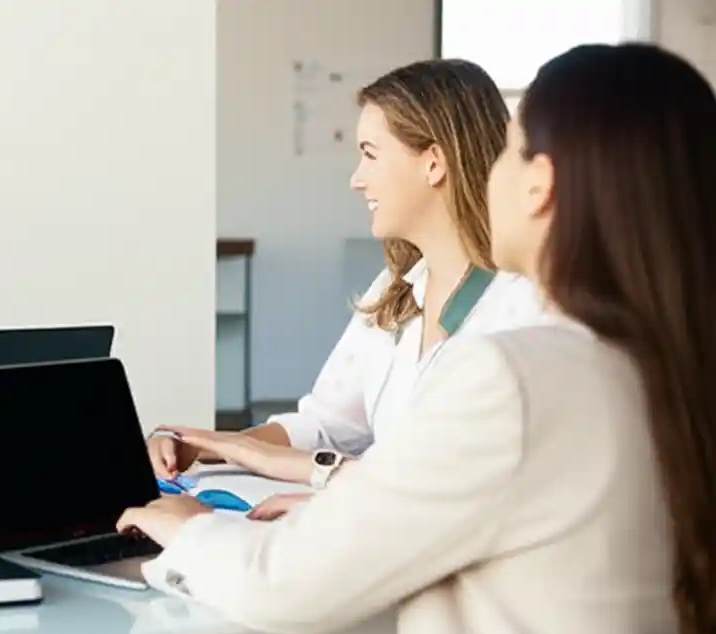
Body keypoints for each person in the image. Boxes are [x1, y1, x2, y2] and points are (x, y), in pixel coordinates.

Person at [119, 43, 716, 634]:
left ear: (540, 184)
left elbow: (288, 584)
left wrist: (190, 527)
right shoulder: (664, 363)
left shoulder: (517, 377)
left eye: (510, 151)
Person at [149, 59, 546, 518]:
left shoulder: (524, 308)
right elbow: (324, 424)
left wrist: (323, 485)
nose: (357, 179)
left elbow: (469, 489)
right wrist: (212, 445)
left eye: (370, 154)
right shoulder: (395, 293)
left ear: (433, 162)